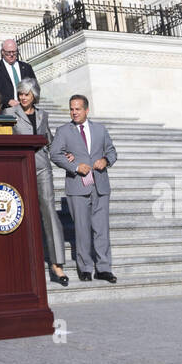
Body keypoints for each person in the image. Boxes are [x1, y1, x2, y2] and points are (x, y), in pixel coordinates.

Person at [51, 94, 117, 283]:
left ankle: (104, 268)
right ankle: (85, 268)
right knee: (81, 230)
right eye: (72, 108)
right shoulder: (64, 131)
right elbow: (55, 154)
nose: (74, 112)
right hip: (78, 187)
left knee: (101, 229)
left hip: (100, 186)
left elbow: (112, 151)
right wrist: (75, 166)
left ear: (86, 110)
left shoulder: (100, 129)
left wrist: (105, 160)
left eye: (78, 109)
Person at [8, 78, 68, 286]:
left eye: (27, 94)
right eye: (20, 94)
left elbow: (49, 140)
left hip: (43, 167)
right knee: (22, 213)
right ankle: (23, 262)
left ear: (34, 95)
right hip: (20, 168)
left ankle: (57, 263)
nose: (23, 97)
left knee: (49, 211)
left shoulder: (43, 115)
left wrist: (65, 154)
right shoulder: (10, 114)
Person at [0, 39, 36, 108]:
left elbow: (34, 88)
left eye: (14, 52)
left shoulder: (26, 67)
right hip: (5, 109)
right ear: (2, 52)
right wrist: (7, 101)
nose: (11, 55)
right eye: (8, 52)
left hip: (26, 109)